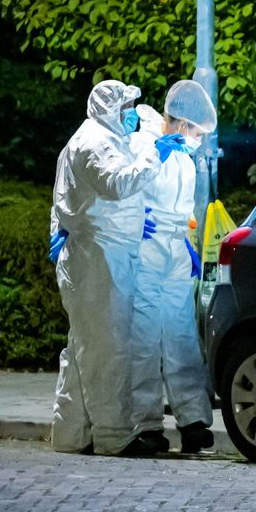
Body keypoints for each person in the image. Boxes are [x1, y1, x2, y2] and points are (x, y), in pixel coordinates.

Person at [49, 80, 188, 456]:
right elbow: (116, 184)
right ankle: (114, 436)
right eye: (126, 106)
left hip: (103, 253)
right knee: (108, 348)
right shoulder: (94, 141)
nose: (132, 113)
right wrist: (154, 155)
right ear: (111, 108)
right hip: (99, 258)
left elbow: (71, 195)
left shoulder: (102, 138)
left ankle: (72, 432)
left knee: (86, 348)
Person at [129, 82, 217, 453]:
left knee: (181, 334)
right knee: (145, 338)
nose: (199, 140)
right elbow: (124, 189)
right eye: (197, 132)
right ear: (183, 125)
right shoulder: (142, 147)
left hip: (175, 251)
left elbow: (183, 210)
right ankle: (146, 424)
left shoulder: (181, 153)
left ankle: (193, 419)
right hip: (146, 250)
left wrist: (188, 246)